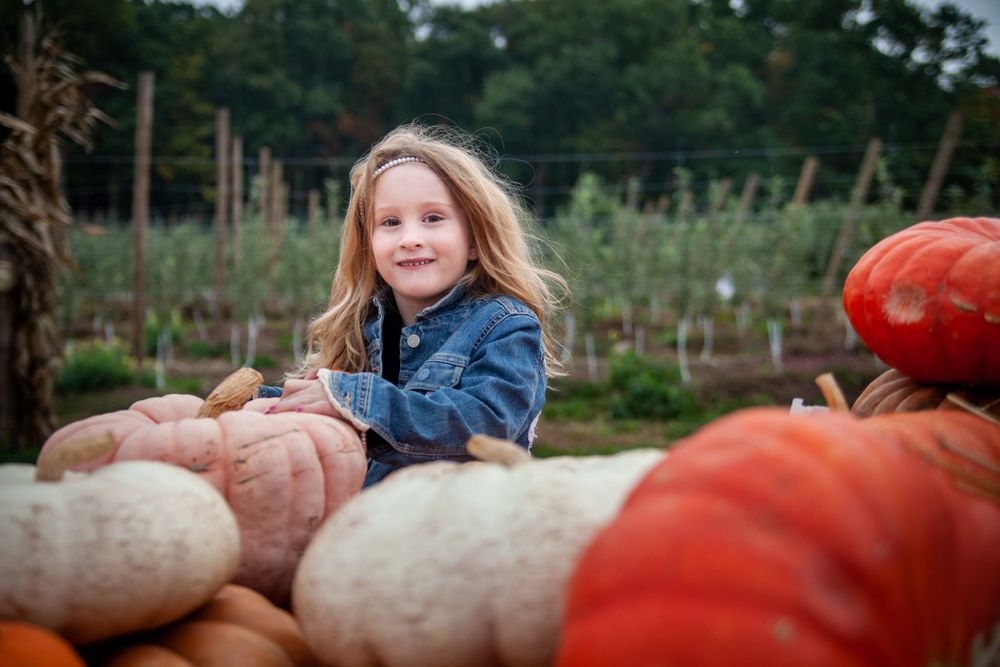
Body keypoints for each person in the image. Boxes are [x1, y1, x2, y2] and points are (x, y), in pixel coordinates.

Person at [264, 124, 567, 487]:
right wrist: (260, 405)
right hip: (377, 525)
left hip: (469, 526)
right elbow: (322, 410)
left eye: (433, 218)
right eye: (390, 222)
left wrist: (356, 401)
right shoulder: (363, 330)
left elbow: (486, 427)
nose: (410, 239)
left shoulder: (506, 325)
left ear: (474, 240)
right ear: (368, 245)